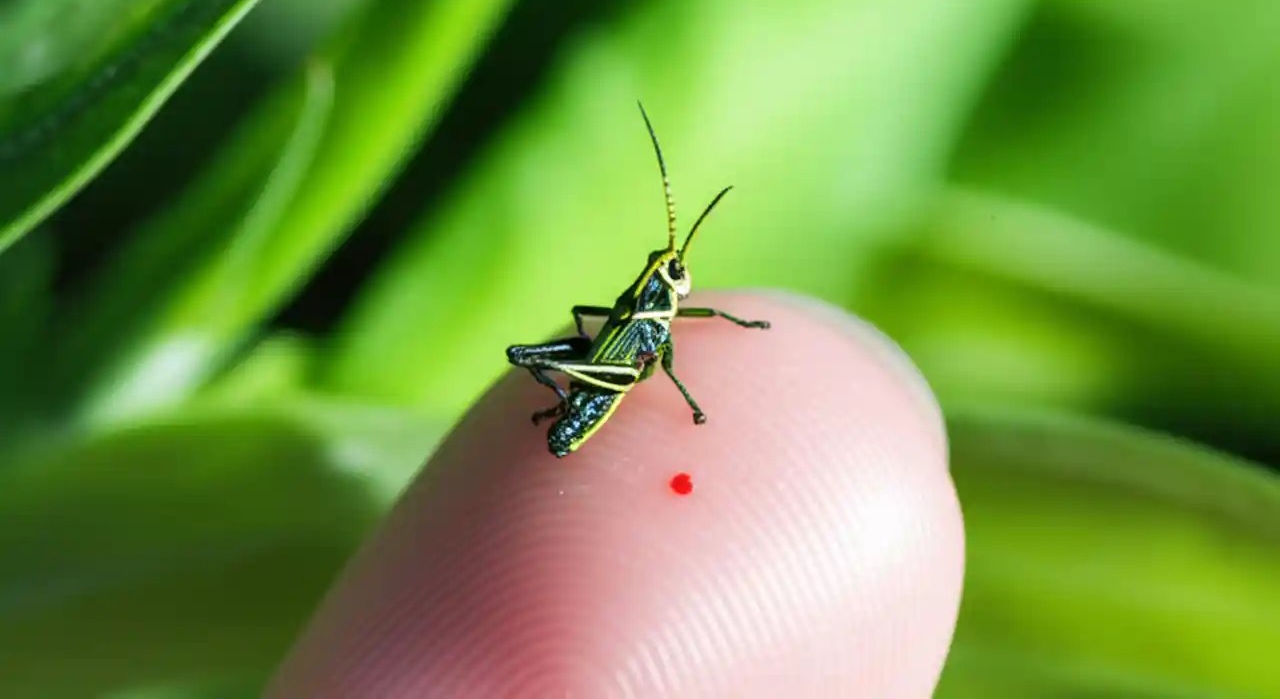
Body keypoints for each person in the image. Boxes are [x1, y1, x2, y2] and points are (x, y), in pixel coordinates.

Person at [267, 292, 965, 697]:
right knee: (597, 356)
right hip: (608, 383)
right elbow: (660, 362)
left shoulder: (660, 308)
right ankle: (555, 406)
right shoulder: (647, 317)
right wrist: (679, 404)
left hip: (607, 382)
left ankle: (558, 407)